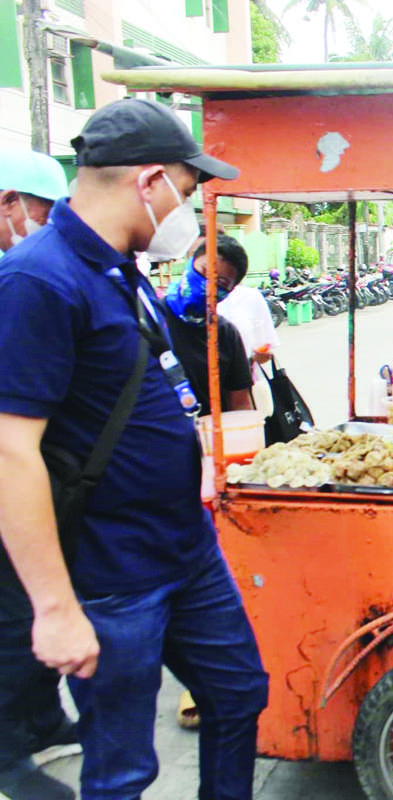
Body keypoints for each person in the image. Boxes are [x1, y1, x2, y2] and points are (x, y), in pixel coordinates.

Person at [0, 97, 268, 799]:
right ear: (148, 183)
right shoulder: (37, 279)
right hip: (112, 575)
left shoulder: (119, 268)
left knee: (239, 694)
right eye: (185, 191)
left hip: (185, 550)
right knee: (123, 768)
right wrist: (55, 608)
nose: (186, 210)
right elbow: (10, 453)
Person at [0, 149, 80, 800]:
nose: (44, 225)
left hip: (38, 468)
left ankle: (44, 717)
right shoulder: (18, 278)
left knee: (32, 601)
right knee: (9, 611)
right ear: (9, 205)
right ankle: (4, 752)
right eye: (41, 212)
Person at [161, 232, 255, 417]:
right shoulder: (149, 317)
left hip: (210, 440)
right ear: (190, 263)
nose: (207, 285)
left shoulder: (226, 334)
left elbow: (240, 403)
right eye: (204, 272)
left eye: (220, 282)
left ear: (229, 291)